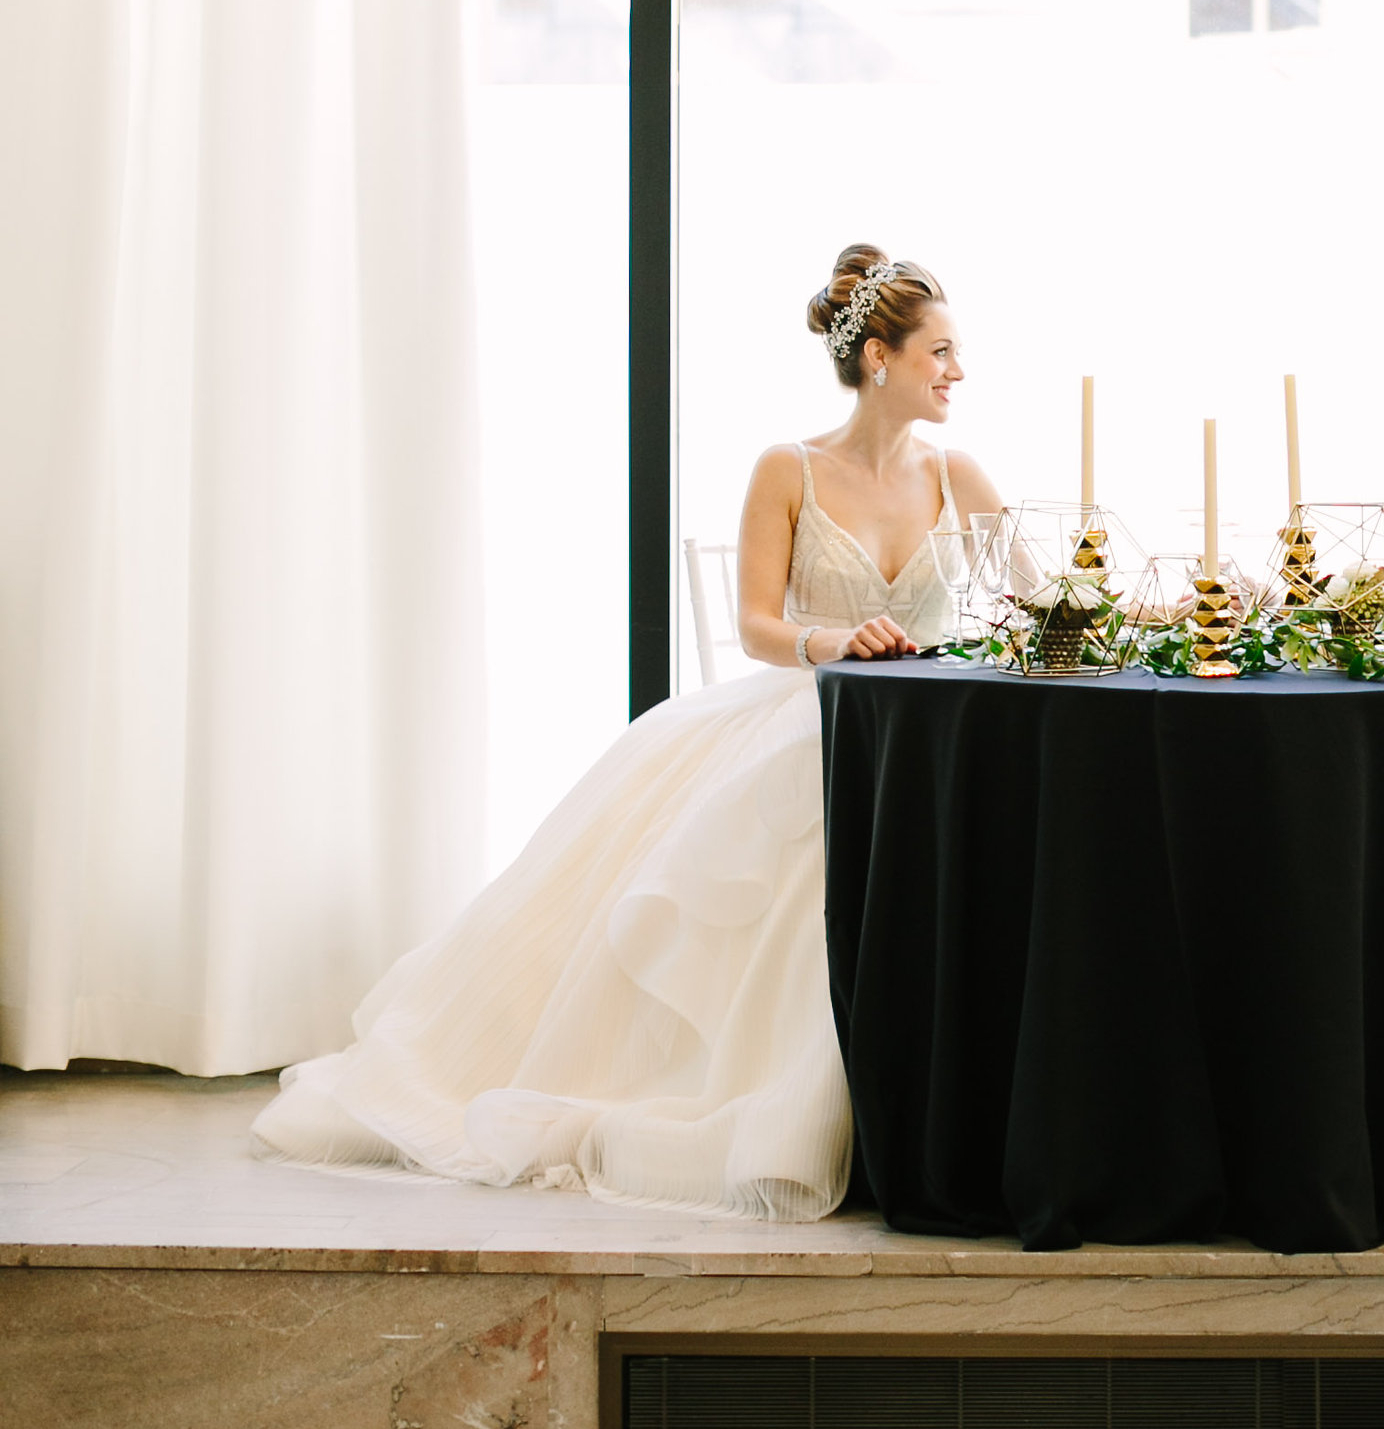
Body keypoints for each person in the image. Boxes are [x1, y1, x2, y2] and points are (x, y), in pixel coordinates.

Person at [252, 247, 998, 1219]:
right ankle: (774, 1106)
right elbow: (761, 626)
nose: (957, 372)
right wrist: (836, 639)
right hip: (812, 709)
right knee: (785, 842)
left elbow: (1045, 593)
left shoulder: (962, 475)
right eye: (939, 352)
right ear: (877, 363)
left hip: (921, 728)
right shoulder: (790, 470)